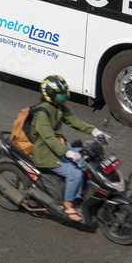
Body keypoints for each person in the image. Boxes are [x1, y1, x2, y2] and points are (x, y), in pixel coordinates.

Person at [29, 75, 108, 223]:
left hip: (59, 146)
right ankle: (67, 204)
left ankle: (80, 192)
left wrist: (94, 131)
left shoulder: (58, 107)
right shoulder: (42, 113)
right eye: (60, 94)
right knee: (75, 174)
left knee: (85, 162)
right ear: (51, 95)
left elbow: (74, 121)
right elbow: (49, 138)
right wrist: (68, 152)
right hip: (46, 153)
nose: (64, 95)